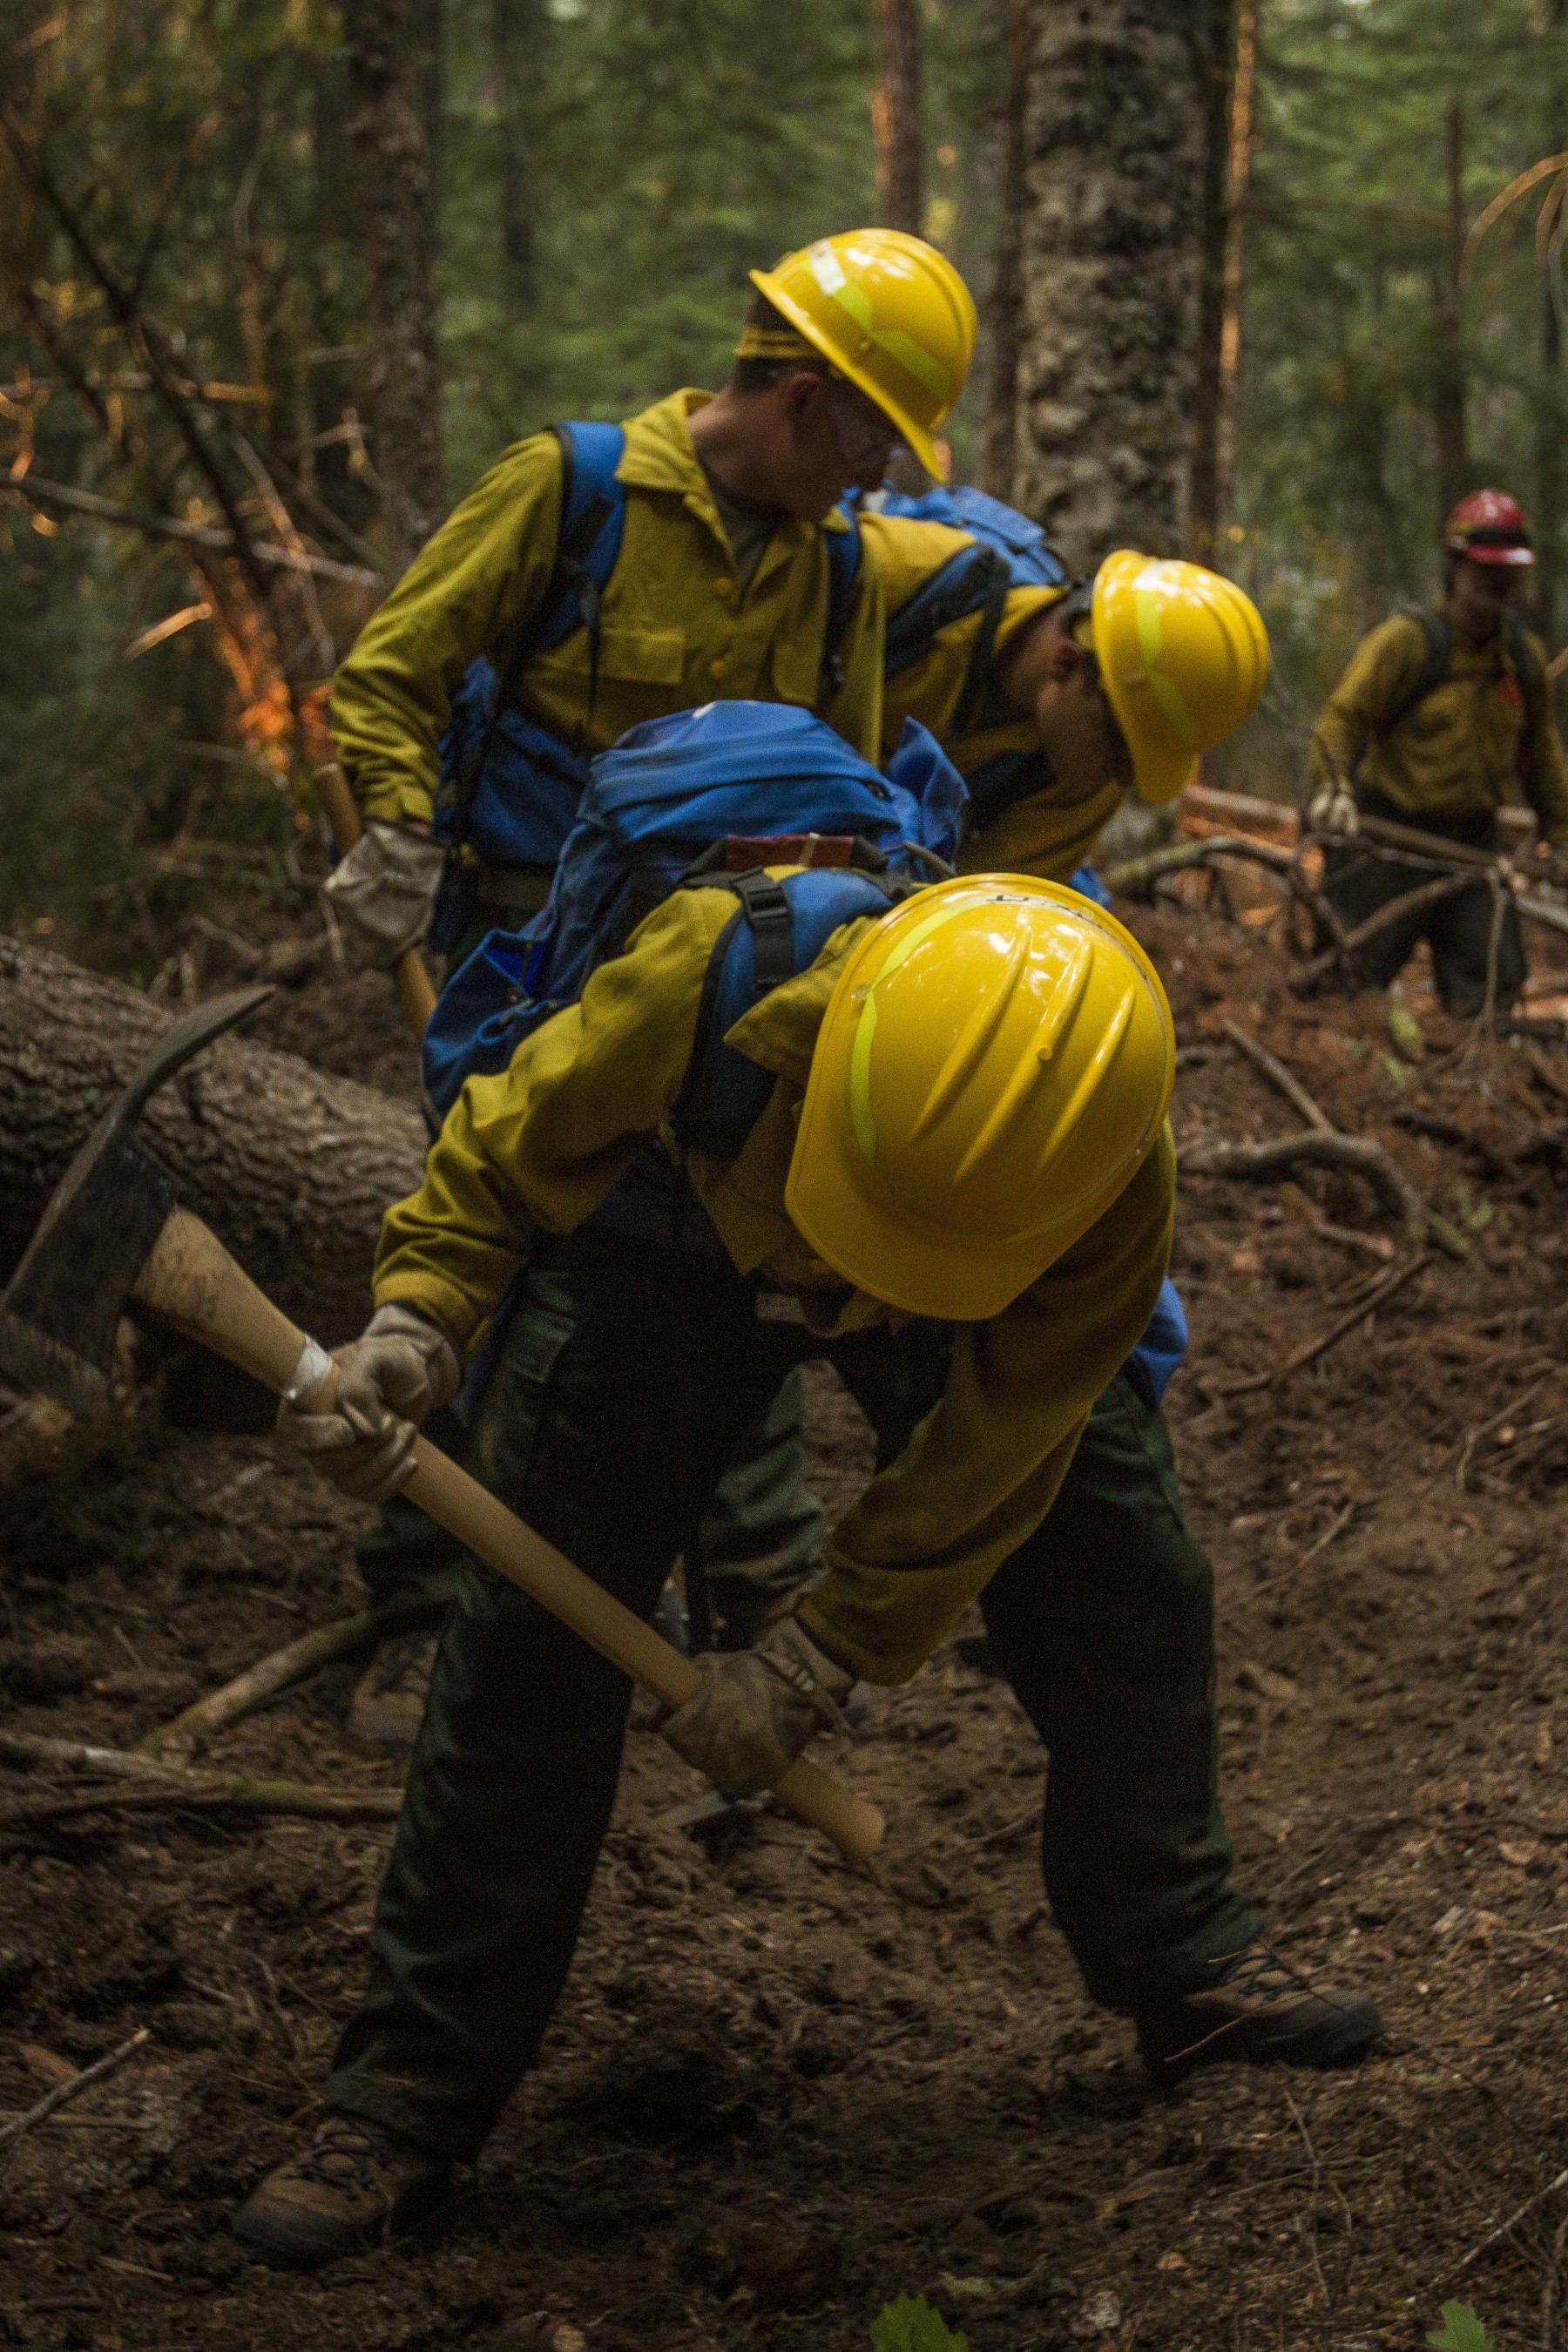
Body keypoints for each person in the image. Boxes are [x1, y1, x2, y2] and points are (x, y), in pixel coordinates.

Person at [233, 857, 1380, 2271]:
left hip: (973, 1285)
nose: (851, 1290)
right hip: (664, 1247)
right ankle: (405, 2094)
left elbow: (1007, 1433)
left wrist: (816, 1657)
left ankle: (1184, 1956)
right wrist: (418, 1321)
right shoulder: (706, 980)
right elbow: (505, 1150)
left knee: (1128, 1576)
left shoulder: (1100, 1159)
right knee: (530, 1647)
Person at [314, 229, 978, 1738]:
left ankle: (725, 1590)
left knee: (728, 1271)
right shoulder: (574, 490)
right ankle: (421, 1615)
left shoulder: (837, 569)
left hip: (726, 995)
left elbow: (856, 790)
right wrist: (396, 823)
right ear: (805, 400)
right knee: (488, 1264)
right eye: (873, 436)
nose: (878, 476)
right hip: (525, 971)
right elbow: (397, 666)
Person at [1304, 489, 1568, 1018]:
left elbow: (1541, 753)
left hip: (1472, 847)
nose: (1495, 582)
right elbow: (1342, 719)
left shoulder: (1522, 659)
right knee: (1345, 982)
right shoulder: (1407, 643)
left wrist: (1561, 834)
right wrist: (1332, 788)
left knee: (1492, 990)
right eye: (1484, 568)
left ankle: (1470, 1067)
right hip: (1388, 839)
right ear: (1454, 563)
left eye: (1506, 571)